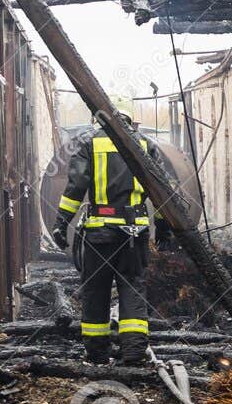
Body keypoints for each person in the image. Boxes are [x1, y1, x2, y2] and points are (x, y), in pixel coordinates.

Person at [52, 99, 174, 365]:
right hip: (135, 232)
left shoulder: (89, 143)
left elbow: (75, 188)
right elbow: (163, 191)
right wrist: (164, 227)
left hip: (99, 233)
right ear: (131, 120)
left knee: (96, 290)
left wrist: (62, 222)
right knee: (132, 288)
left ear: (99, 118)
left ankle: (97, 354)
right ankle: (133, 351)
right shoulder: (145, 145)